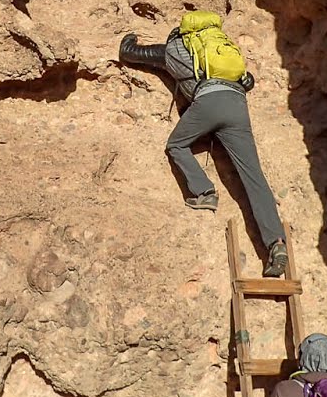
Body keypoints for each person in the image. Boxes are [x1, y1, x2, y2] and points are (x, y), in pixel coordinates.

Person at [118, 16, 289, 276]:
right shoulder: (223, 53)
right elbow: (248, 80)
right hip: (238, 107)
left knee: (176, 144)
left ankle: (205, 193)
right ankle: (276, 244)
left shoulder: (173, 49)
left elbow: (130, 54)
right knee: (254, 178)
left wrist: (129, 39)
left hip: (208, 104)